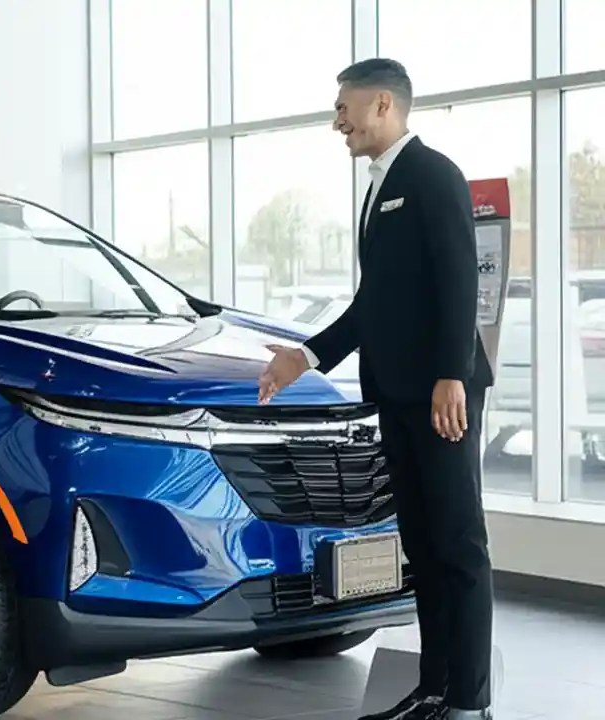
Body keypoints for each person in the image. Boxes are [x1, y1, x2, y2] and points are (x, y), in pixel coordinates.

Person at [257, 59, 495, 720]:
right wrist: (303, 358)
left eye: (345, 107)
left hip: (442, 395)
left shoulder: (433, 175)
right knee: (420, 545)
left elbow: (459, 282)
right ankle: (437, 690)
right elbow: (372, 305)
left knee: (457, 545)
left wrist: (452, 374)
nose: (338, 120)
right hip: (398, 396)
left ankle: (471, 704)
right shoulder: (380, 187)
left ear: (383, 104)